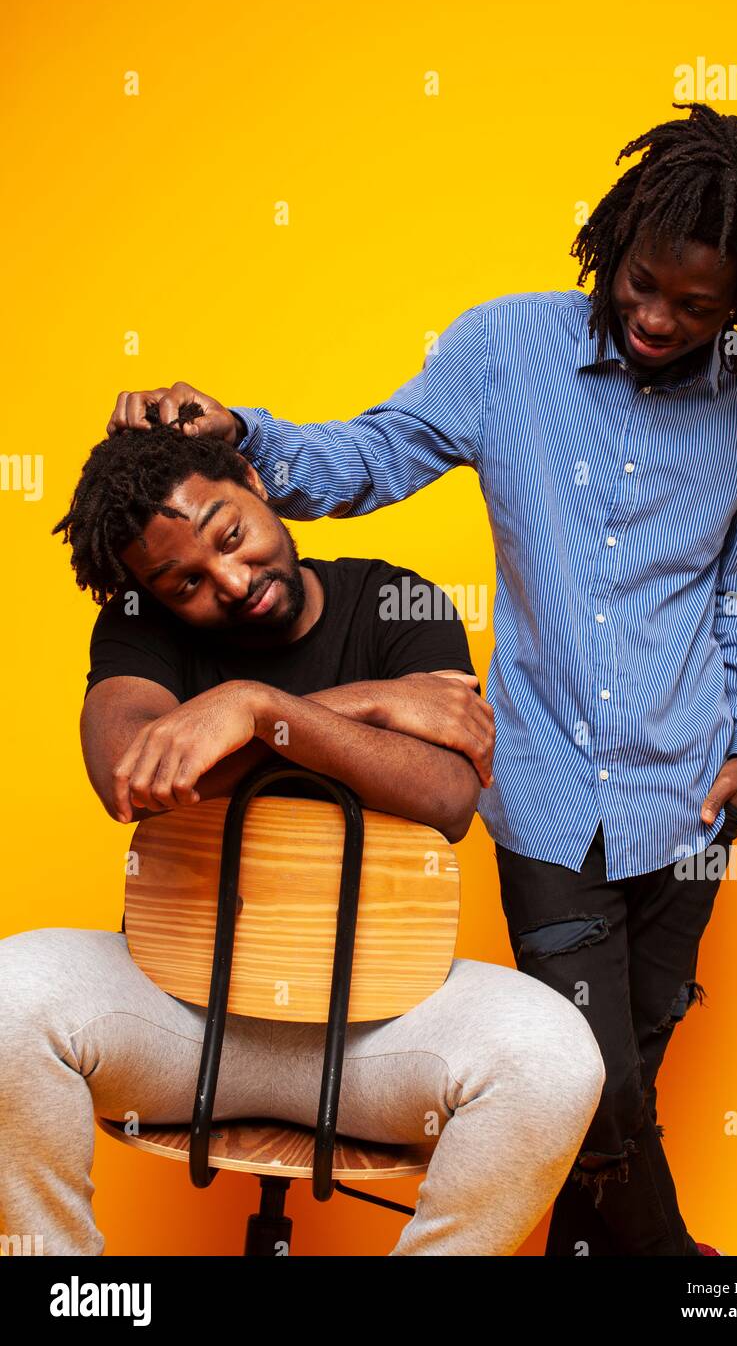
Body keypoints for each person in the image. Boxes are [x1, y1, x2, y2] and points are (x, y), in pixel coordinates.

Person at [103, 101, 737, 1255]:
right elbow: (376, 450)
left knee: (638, 1052)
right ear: (611, 247)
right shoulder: (506, 350)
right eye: (640, 284)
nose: (654, 318)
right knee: (590, 1076)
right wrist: (243, 426)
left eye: (694, 309)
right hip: (545, 782)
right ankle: (688, 1272)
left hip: (693, 787)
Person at [0, 424, 608, 1257]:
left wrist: (255, 710)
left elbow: (448, 792)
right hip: (184, 1026)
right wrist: (361, 706)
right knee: (8, 994)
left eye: (231, 534)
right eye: (185, 583)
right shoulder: (143, 628)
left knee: (557, 1056)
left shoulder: (400, 600)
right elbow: (127, 776)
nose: (231, 579)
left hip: (379, 1037)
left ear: (254, 481)